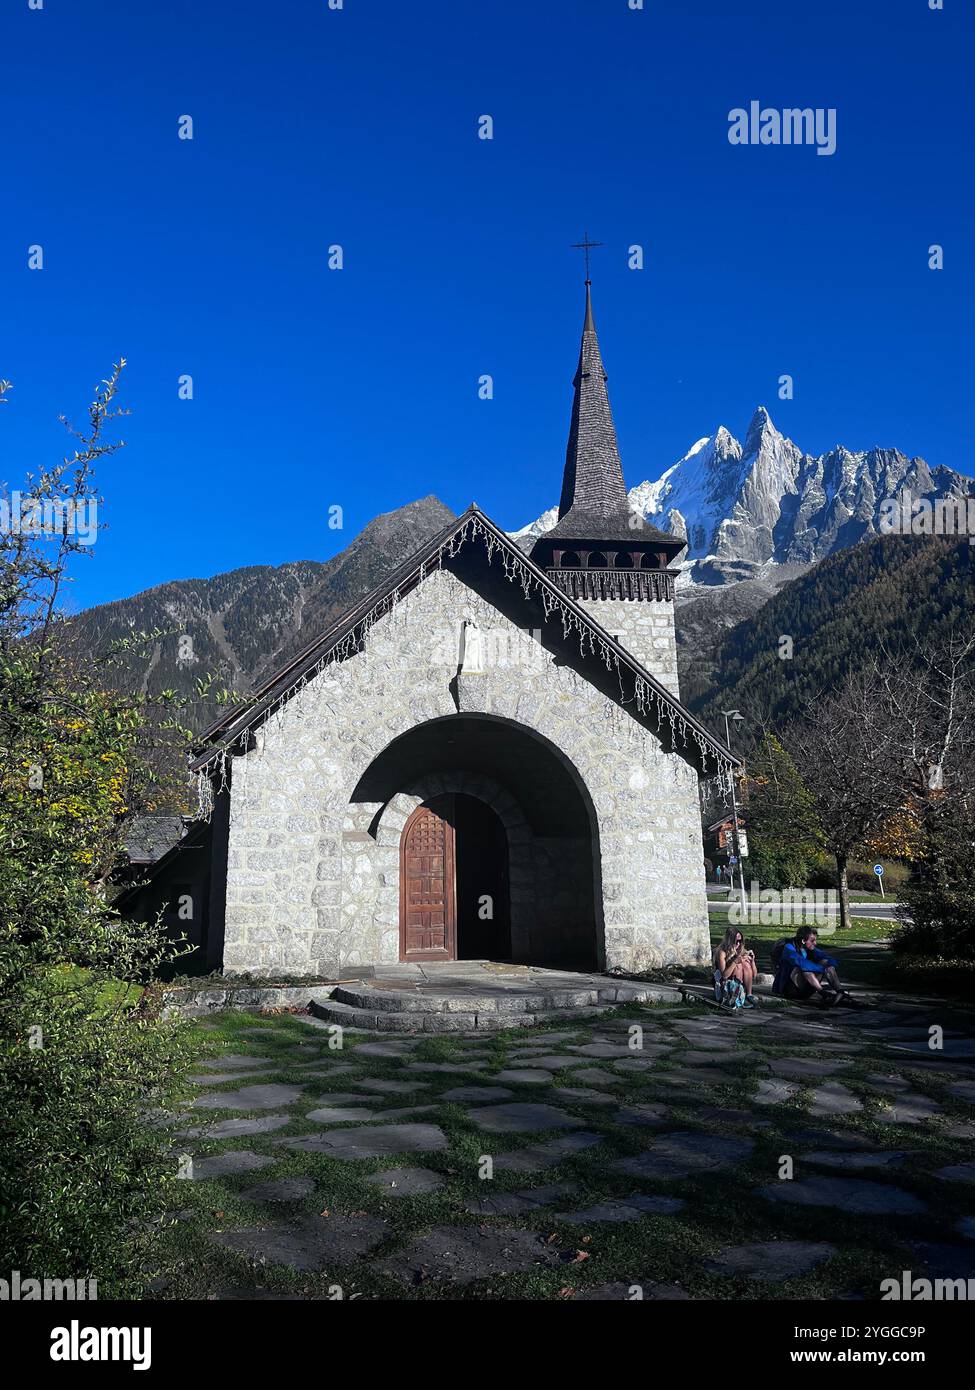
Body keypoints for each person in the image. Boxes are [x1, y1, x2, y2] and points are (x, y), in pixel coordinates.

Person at [772, 926, 860, 1007]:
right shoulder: (788, 947)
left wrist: (826, 967)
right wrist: (822, 969)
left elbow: (831, 960)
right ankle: (823, 993)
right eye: (812, 940)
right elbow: (801, 963)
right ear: (803, 940)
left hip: (806, 989)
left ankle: (840, 992)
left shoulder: (808, 948)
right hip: (789, 990)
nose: (815, 943)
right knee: (804, 968)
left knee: (826, 962)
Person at [713, 925, 759, 1009]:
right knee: (738, 966)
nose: (738, 943)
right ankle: (736, 996)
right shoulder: (721, 952)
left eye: (740, 941)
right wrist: (735, 961)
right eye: (736, 941)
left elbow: (754, 975)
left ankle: (748, 995)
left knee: (746, 965)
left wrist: (752, 962)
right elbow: (724, 976)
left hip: (736, 983)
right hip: (724, 985)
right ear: (730, 941)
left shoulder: (740, 949)